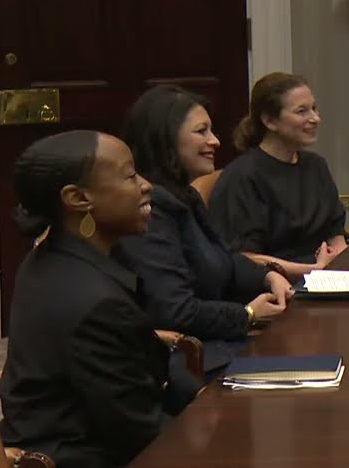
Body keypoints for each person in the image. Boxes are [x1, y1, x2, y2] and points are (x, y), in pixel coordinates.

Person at [0, 131, 200, 468]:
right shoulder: (94, 301)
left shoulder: (53, 257)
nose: (146, 185)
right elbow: (139, 432)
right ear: (79, 199)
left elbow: (142, 369)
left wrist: (208, 398)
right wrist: (218, 443)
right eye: (130, 175)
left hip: (93, 446)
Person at [114, 85, 294, 375]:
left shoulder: (184, 196)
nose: (215, 141)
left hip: (220, 340)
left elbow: (223, 256)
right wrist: (246, 314)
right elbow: (174, 311)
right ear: (166, 140)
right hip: (187, 359)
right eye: (202, 131)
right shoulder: (149, 211)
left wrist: (268, 275)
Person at [209, 72, 347, 277]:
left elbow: (336, 237)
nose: (315, 118)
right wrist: (313, 271)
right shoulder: (243, 177)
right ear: (270, 121)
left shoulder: (316, 166)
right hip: (276, 288)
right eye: (302, 111)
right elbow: (245, 257)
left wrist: (345, 270)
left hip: (326, 278)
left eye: (314, 109)